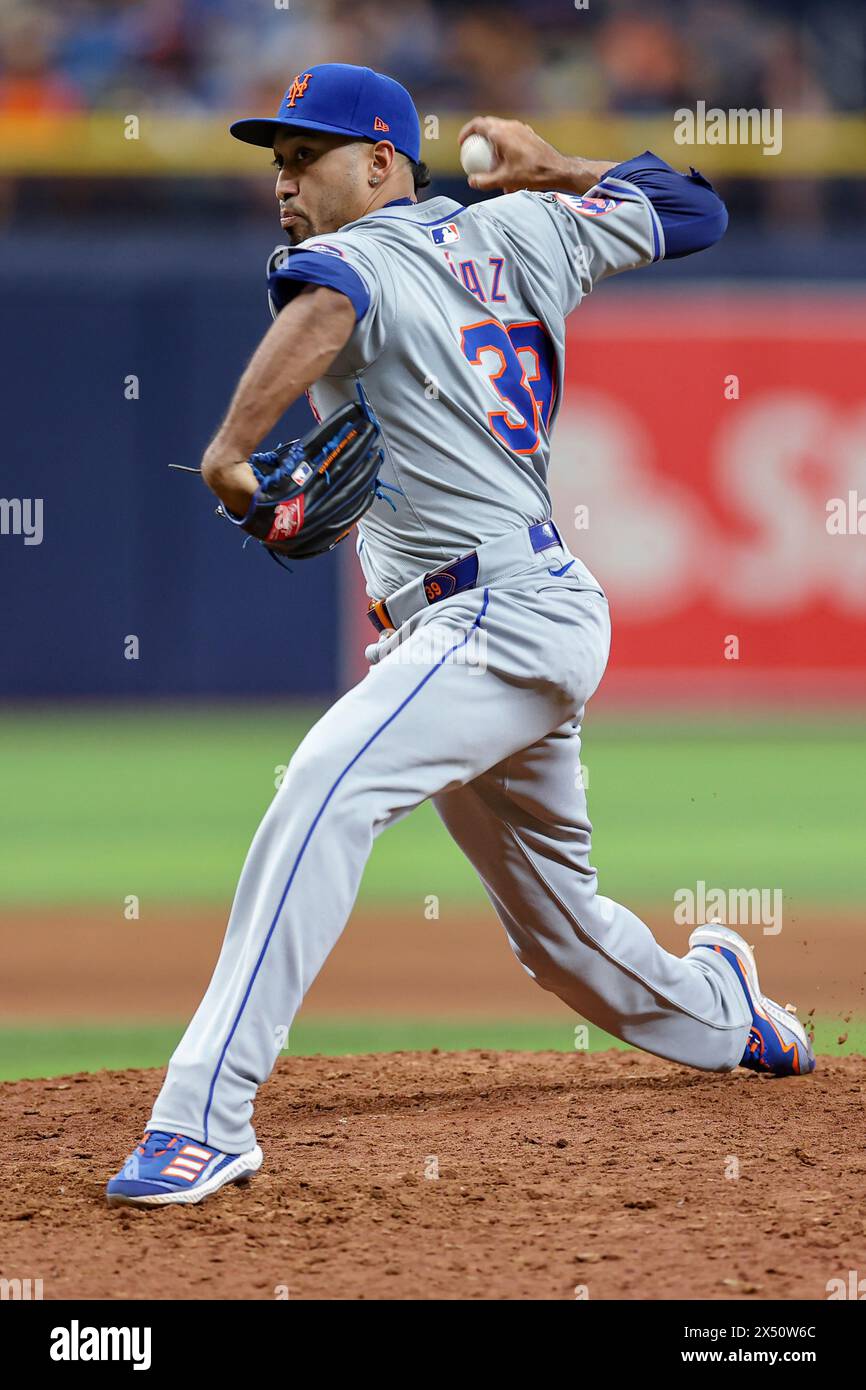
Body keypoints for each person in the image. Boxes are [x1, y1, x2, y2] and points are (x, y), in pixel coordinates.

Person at [106, 63, 814, 1209]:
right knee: (558, 937)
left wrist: (233, 453)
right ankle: (727, 1009)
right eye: (277, 162)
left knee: (323, 790)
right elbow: (695, 209)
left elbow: (325, 305)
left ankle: (202, 1118)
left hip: (494, 615)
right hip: (495, 620)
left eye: (307, 157)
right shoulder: (532, 228)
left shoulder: (352, 259)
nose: (284, 183)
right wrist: (559, 168)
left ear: (382, 161)